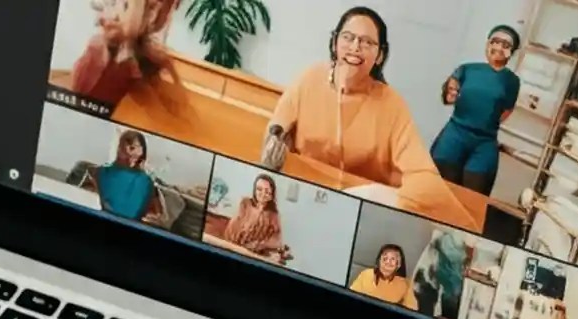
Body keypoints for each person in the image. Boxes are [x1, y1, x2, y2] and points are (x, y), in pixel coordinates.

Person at [263, 7, 472, 228]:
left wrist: (377, 194)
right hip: (301, 199)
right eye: (348, 37)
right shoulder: (309, 78)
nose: (355, 47)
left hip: (358, 214)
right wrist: (272, 153)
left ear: (380, 55)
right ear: (335, 43)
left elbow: (421, 173)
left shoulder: (391, 103)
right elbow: (276, 129)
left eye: (367, 42)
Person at [430, 25, 523, 196]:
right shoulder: (467, 69)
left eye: (505, 45)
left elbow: (507, 110)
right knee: (439, 187)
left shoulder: (512, 81)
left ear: (512, 51)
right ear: (487, 44)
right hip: (455, 134)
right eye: (495, 42)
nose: (499, 48)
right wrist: (450, 92)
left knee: (474, 193)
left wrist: (485, 122)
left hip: (485, 141)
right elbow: (448, 96)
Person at [221, 174, 291, 264]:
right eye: (259, 189)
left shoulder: (274, 214)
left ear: (272, 195)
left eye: (267, 191)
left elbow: (276, 240)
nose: (263, 194)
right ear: (254, 190)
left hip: (256, 255)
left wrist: (261, 245)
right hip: (235, 246)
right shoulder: (245, 203)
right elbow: (234, 227)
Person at [93, 130, 157, 222]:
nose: (131, 155)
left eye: (135, 149)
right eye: (131, 148)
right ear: (119, 148)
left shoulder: (146, 181)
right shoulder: (102, 172)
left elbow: (141, 212)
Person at [350, 244, 418, 310]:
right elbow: (351, 297)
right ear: (379, 261)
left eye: (393, 259)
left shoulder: (406, 284)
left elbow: (411, 311)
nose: (388, 262)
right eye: (385, 258)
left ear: (399, 264)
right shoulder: (366, 274)